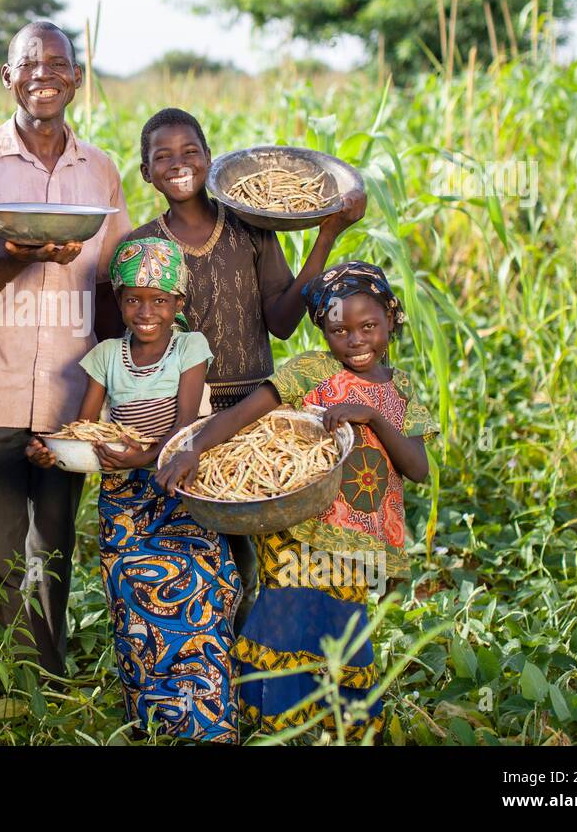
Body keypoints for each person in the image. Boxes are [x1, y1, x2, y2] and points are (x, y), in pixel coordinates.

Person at [157, 262, 438, 740]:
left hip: (361, 535)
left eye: (368, 326)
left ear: (391, 318)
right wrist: (194, 449)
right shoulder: (312, 371)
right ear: (323, 332)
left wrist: (371, 416)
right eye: (339, 330)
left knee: (341, 624)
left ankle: (340, 725)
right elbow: (247, 414)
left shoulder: (402, 389)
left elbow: (418, 467)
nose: (355, 340)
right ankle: (275, 723)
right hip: (298, 524)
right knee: (286, 616)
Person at [0, 21, 130, 676]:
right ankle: (1, 686)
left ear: (76, 77)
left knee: (53, 552)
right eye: (29, 63)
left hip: (69, 396)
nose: (43, 73)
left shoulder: (100, 171)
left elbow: (111, 285)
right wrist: (18, 261)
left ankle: (45, 684)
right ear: (7, 77)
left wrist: (116, 394)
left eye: (58, 63)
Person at [126, 107, 366, 620]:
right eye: (162, 156)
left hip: (257, 411)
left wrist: (327, 235)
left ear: (210, 160)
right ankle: (213, 663)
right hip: (183, 418)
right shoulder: (141, 247)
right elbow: (131, 348)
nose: (178, 163)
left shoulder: (251, 229)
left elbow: (281, 321)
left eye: (190, 151)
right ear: (146, 172)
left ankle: (263, 662)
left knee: (269, 548)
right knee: (205, 557)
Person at [26, 238, 241, 742]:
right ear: (119, 300)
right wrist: (53, 451)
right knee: (132, 597)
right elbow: (84, 428)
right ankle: (154, 723)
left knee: (199, 593)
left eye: (160, 300)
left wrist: (146, 456)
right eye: (134, 299)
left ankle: (206, 722)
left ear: (178, 305)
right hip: (125, 497)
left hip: (185, 485)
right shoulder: (105, 356)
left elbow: (187, 427)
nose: (147, 312)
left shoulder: (190, 348)